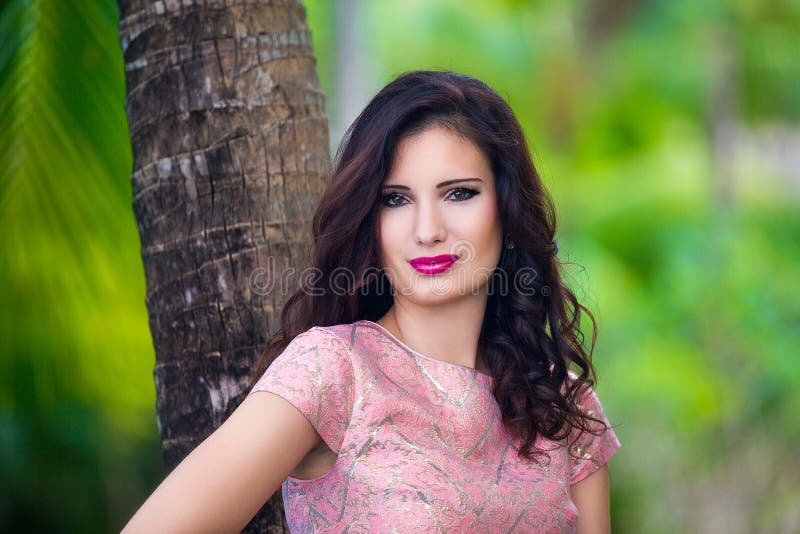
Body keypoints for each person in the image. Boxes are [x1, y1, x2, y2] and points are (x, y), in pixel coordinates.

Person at [122, 70, 621, 533]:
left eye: (459, 193)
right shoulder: (331, 371)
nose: (428, 231)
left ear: (507, 211)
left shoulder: (565, 406)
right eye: (396, 200)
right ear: (370, 221)